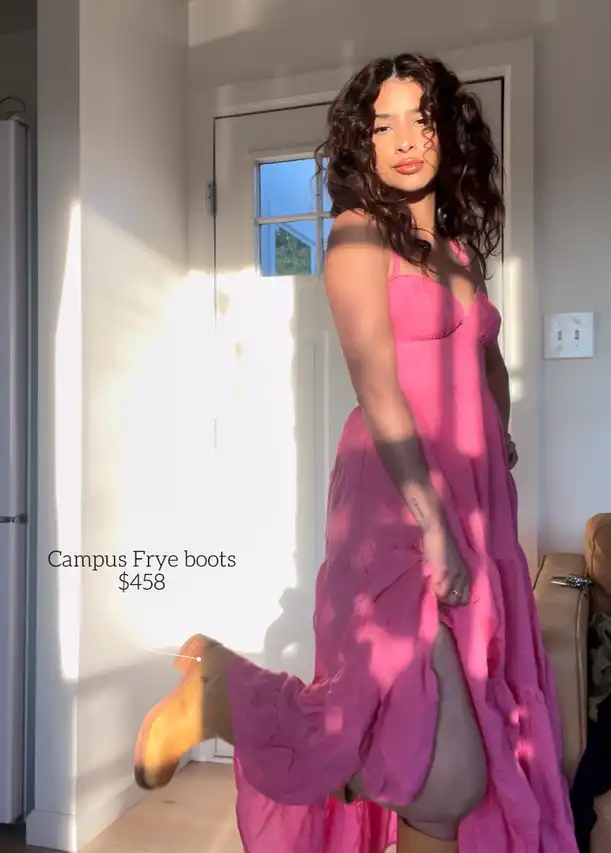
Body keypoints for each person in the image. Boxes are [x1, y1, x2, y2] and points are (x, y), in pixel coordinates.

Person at [133, 53, 579, 853]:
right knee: (442, 770)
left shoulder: (458, 253)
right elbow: (378, 386)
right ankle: (229, 696)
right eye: (382, 125)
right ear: (361, 143)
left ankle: (241, 700)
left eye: (421, 119)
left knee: (447, 758)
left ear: (448, 132)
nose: (404, 139)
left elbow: (484, 356)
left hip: (473, 502)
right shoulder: (356, 236)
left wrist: (497, 439)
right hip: (396, 501)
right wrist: (433, 521)